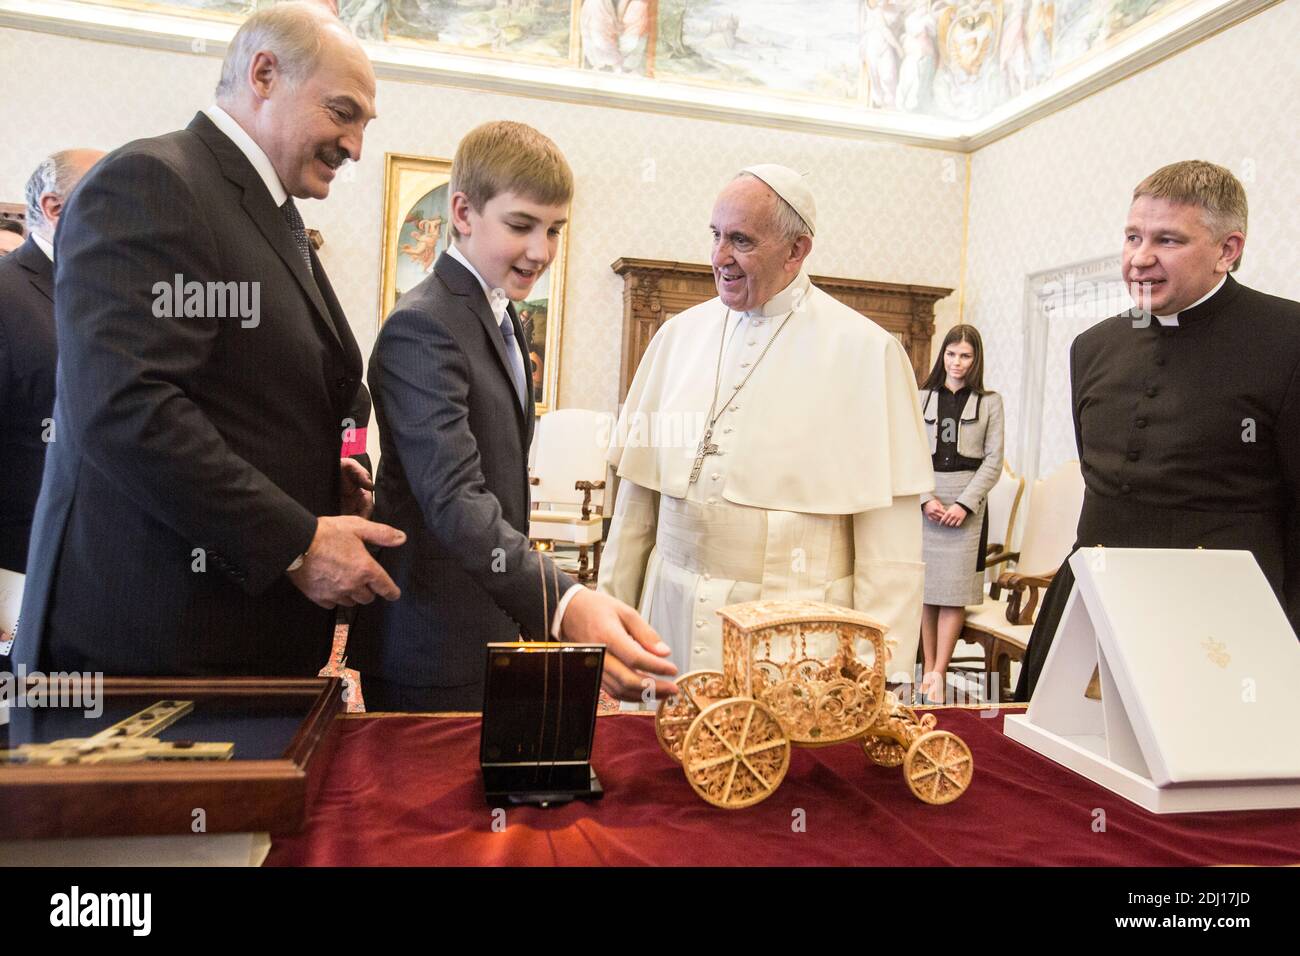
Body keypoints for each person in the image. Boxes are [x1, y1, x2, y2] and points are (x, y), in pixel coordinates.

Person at [12, 2, 405, 678]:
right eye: (343, 113)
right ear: (263, 74)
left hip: (227, 636)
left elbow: (244, 399)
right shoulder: (154, 182)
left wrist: (316, 478)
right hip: (149, 648)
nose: (356, 147)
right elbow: (128, 406)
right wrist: (298, 541)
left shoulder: (264, 211)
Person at [348, 121, 678, 711]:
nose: (542, 251)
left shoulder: (501, 317)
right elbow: (454, 499)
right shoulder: (423, 325)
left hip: (486, 622)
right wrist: (565, 603)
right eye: (522, 225)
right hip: (432, 644)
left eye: (554, 230)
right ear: (464, 212)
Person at [598, 164, 934, 683]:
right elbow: (637, 505)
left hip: (794, 632)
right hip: (668, 611)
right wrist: (611, 618)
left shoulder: (867, 352)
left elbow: (888, 545)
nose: (719, 257)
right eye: (715, 235)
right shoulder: (676, 338)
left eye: (741, 240)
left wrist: (878, 673)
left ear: (796, 249)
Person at [1017, 160, 1300, 700]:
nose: (1139, 258)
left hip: (1224, 628)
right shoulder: (1093, 347)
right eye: (1132, 237)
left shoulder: (1289, 342)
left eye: (1168, 240)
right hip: (1089, 613)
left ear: (1228, 249)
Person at [0, 149, 104, 572]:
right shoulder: (6, 292)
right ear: (55, 207)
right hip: (17, 552)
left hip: (88, 546)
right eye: (108, 195)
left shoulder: (109, 293)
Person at [917, 324, 1003, 703]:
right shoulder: (921, 398)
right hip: (928, 498)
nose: (957, 362)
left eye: (965, 355)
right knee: (927, 590)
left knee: (951, 593)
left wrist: (964, 504)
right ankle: (928, 669)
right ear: (943, 355)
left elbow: (994, 461)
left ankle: (938, 672)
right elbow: (909, 452)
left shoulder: (990, 402)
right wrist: (924, 498)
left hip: (966, 503)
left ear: (975, 359)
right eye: (952, 354)